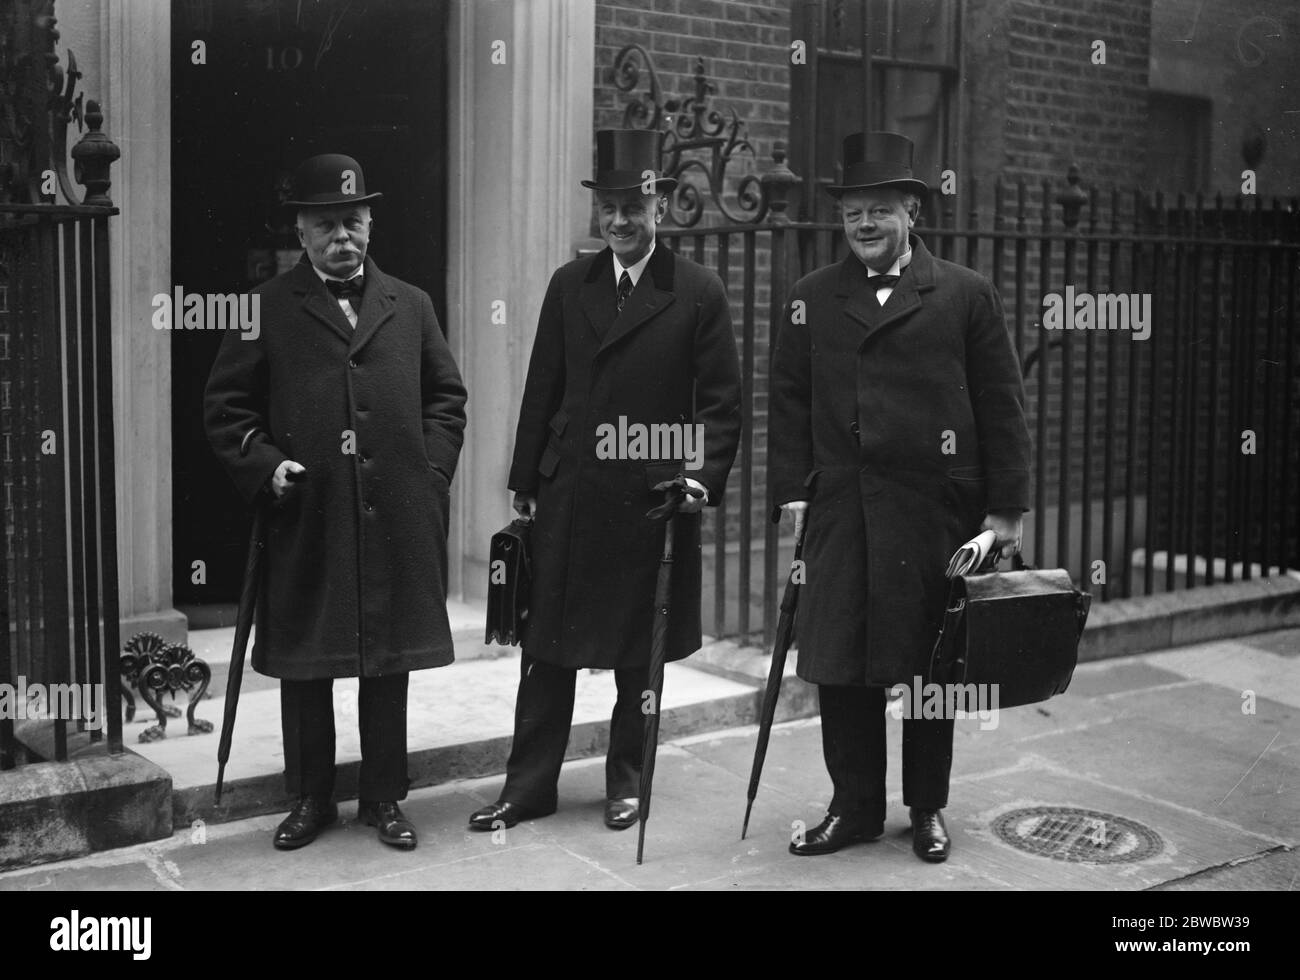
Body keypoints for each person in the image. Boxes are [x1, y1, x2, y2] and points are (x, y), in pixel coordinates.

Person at [469, 129, 741, 833]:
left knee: (636, 659)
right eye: (609, 208)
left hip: (650, 499)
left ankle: (628, 781)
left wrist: (697, 477)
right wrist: (526, 476)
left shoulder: (697, 291)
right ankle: (528, 787)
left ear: (661, 206)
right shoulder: (571, 285)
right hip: (570, 497)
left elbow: (720, 405)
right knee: (545, 650)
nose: (620, 221)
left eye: (634, 206)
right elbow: (543, 387)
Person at [769, 132, 1030, 863]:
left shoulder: (965, 295)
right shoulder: (811, 299)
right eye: (854, 212)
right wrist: (793, 493)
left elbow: (1001, 404)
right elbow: (788, 402)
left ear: (912, 211)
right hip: (842, 512)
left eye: (880, 210)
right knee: (839, 664)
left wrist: (1005, 509)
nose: (865, 226)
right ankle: (853, 806)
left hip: (933, 515)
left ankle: (925, 809)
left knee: (929, 669)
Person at [205, 153, 467, 851]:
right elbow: (226, 409)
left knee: (386, 661)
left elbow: (447, 398)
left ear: (371, 223)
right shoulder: (263, 307)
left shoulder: (409, 304)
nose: (341, 237)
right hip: (308, 512)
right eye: (325, 225)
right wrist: (268, 468)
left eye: (352, 221)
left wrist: (429, 472)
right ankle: (310, 798)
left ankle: (383, 798)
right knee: (305, 660)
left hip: (394, 514)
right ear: (301, 231)